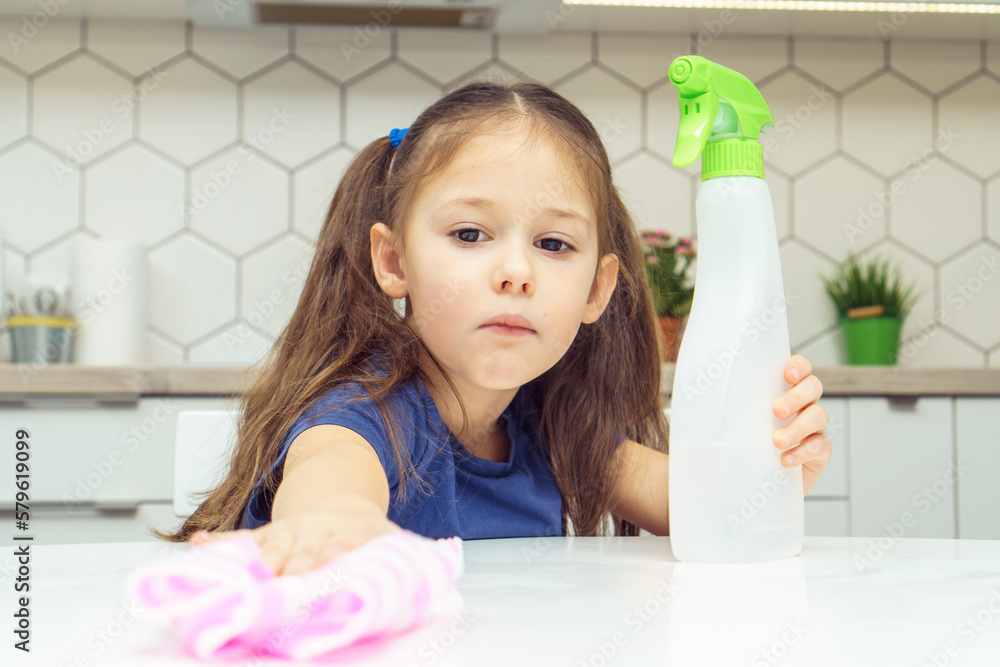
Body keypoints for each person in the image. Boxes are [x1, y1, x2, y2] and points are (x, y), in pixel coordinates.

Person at [155, 79, 832, 576]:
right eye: (471, 233)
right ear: (393, 260)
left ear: (598, 289)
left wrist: (773, 466)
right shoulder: (365, 411)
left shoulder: (553, 423)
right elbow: (330, 474)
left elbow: (702, 505)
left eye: (555, 245)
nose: (515, 272)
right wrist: (336, 522)